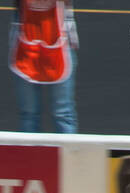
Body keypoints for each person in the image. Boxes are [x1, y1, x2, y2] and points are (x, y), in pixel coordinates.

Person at [10, 0, 79, 134]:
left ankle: (68, 154)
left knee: (63, 113)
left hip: (59, 41)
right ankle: (30, 154)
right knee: (29, 115)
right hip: (27, 44)